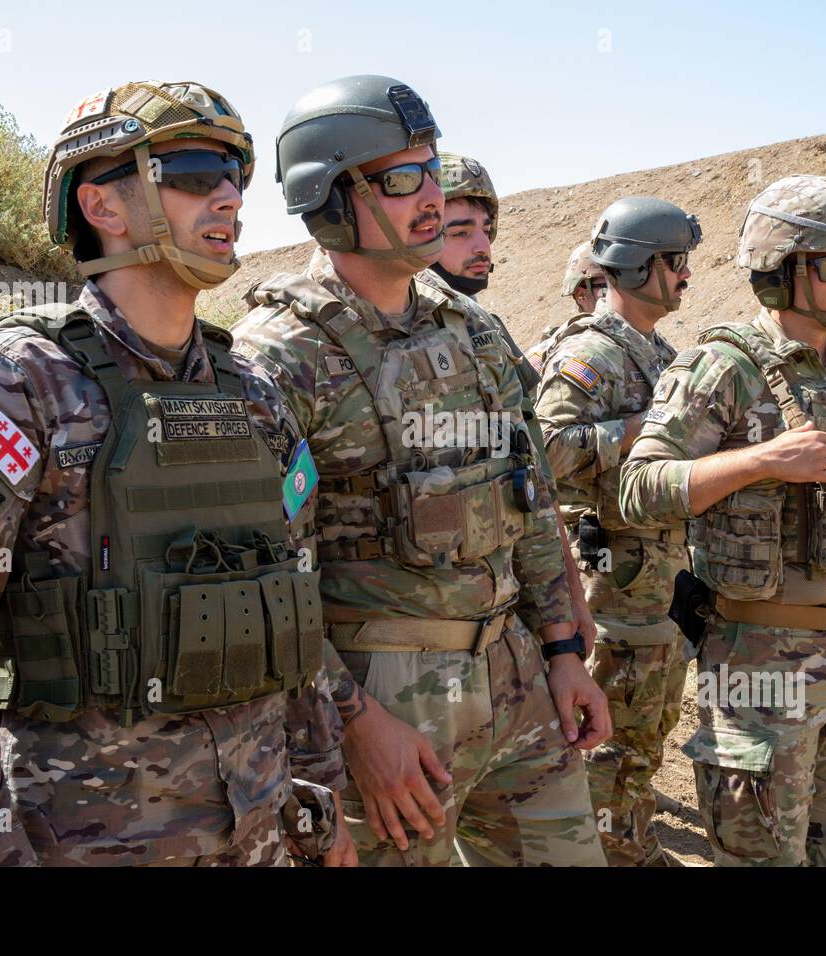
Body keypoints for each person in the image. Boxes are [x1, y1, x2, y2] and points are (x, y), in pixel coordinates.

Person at [0, 81, 352, 867]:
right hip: (91, 841)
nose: (230, 195)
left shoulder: (254, 392)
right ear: (102, 206)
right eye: (196, 172)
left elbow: (292, 620)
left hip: (265, 833)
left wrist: (322, 806)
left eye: (236, 172)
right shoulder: (16, 382)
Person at [232, 75, 610, 867]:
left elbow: (530, 501)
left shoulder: (472, 328)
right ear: (331, 198)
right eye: (403, 180)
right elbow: (264, 583)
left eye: (432, 170)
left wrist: (564, 649)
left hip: (518, 676)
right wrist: (355, 722)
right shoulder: (275, 357)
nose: (432, 195)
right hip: (388, 704)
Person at [620, 174, 826, 866]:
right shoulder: (719, 367)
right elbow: (641, 488)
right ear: (782, 268)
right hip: (761, 663)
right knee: (762, 854)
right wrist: (763, 461)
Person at [534, 196, 702, 866]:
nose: (687, 276)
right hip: (612, 585)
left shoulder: (658, 351)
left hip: (658, 580)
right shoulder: (592, 353)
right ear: (639, 267)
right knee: (607, 746)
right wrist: (631, 431)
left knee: (643, 735)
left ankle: (629, 845)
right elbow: (544, 451)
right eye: (676, 263)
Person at [420, 151, 596, 654]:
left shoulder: (482, 330)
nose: (482, 246)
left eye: (485, 229)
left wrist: (567, 608)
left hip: (507, 615)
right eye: (460, 232)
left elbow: (534, 481)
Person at [526, 241, 608, 375]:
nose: (622, 291)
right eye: (608, 285)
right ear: (581, 294)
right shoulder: (553, 358)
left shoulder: (639, 341)